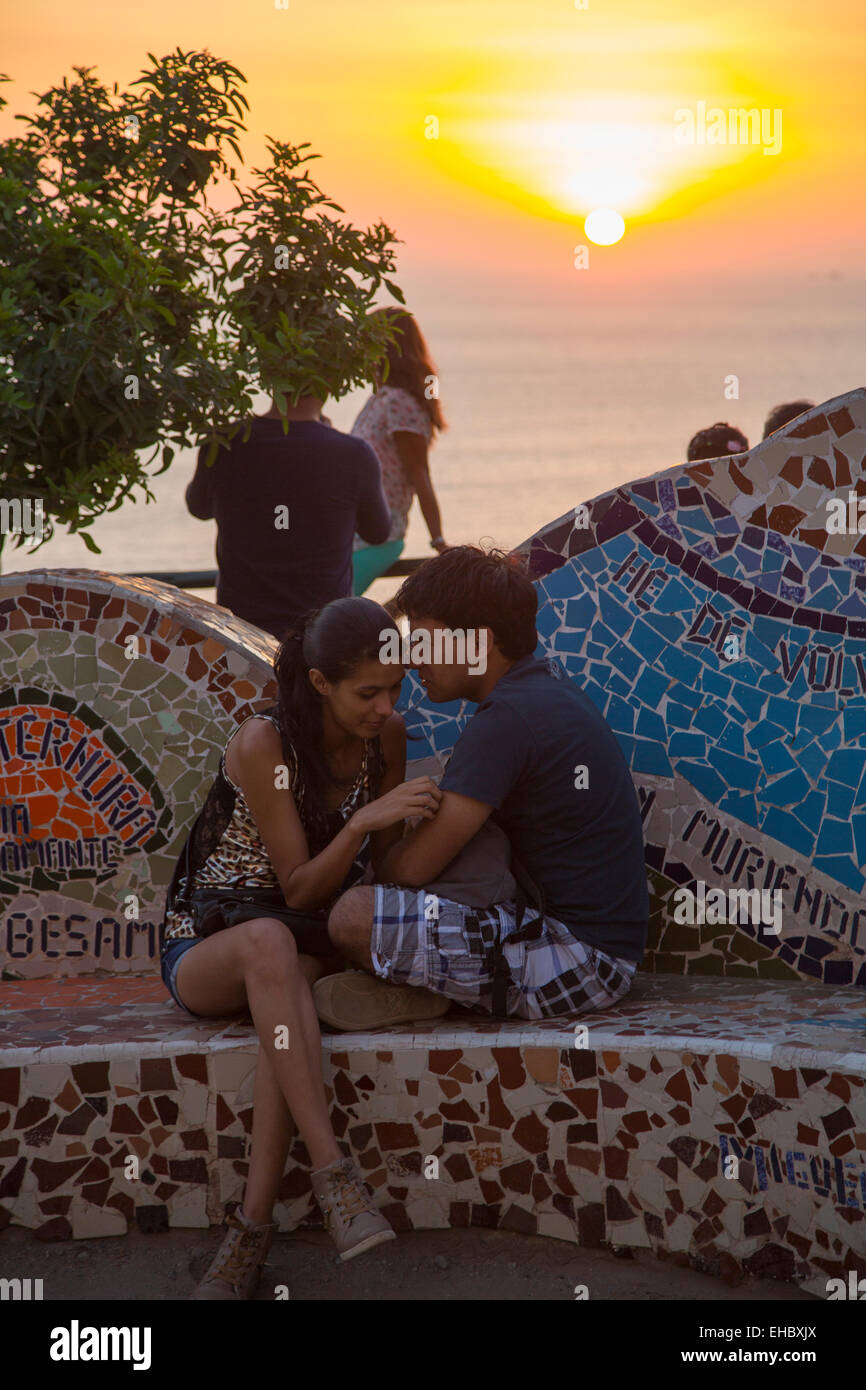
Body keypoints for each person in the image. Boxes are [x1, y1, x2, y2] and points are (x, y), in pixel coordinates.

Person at [158, 597, 448, 1298]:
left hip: (301, 946)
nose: (385, 707)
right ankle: (334, 1176)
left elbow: (376, 871)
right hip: (211, 941)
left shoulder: (387, 738)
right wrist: (364, 823)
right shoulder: (266, 744)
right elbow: (295, 890)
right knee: (269, 948)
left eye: (396, 689)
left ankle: (250, 1233)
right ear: (320, 682)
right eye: (367, 692)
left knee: (285, 1018)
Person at [313, 546, 650, 1032]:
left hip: (578, 960)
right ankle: (422, 994)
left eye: (424, 643)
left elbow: (410, 871)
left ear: (480, 642)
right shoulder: (542, 692)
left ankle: (422, 993)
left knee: (352, 916)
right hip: (593, 949)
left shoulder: (506, 721)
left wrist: (373, 820)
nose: (412, 661)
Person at [185, 392, 390, 638]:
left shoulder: (223, 441)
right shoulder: (353, 453)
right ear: (332, 383)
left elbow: (199, 508)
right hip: (321, 636)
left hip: (242, 632)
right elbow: (378, 532)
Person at [351, 308, 449, 594]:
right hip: (354, 532)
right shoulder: (380, 398)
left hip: (378, 536)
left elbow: (419, 473)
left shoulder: (399, 402)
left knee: (325, 614)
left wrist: (438, 541)